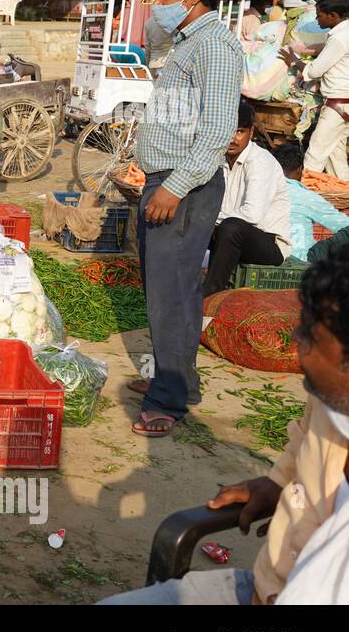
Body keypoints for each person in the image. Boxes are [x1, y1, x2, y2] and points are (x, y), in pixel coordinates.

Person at [100, 244, 349, 605]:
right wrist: (277, 482)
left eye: (310, 333)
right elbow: (301, 444)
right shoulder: (327, 399)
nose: (296, 340)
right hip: (263, 589)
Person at [130, 0, 243, 437]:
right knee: (171, 289)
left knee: (170, 295)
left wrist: (174, 187)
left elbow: (218, 129)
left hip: (185, 185)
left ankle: (168, 399)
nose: (158, 6)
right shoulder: (188, 41)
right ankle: (180, 381)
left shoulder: (215, 46)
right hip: (166, 178)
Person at [200, 102, 291, 297]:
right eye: (228, 132)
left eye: (239, 132)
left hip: (268, 245)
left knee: (231, 228)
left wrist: (210, 222)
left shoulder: (260, 161)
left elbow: (252, 214)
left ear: (251, 132)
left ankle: (210, 295)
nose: (232, 139)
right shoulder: (218, 159)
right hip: (225, 233)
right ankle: (180, 286)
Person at [283, 0, 349, 179]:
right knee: (335, 158)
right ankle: (344, 198)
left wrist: (294, 60)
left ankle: (303, 196)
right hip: (344, 103)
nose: (316, 19)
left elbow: (314, 71)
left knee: (315, 155)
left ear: (333, 16)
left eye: (319, 15)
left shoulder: (339, 38)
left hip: (338, 102)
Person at [275, 141, 349, 263]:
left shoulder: (262, 190)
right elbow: (343, 225)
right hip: (301, 259)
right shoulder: (306, 196)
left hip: (270, 254)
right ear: (300, 169)